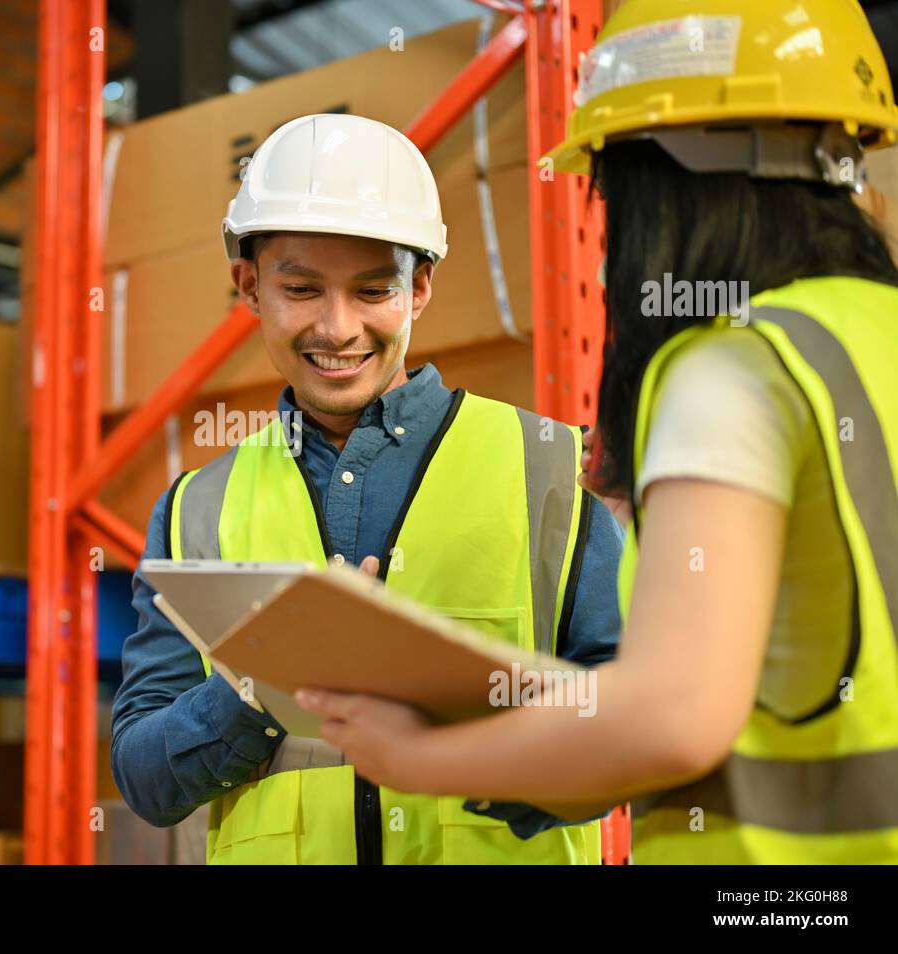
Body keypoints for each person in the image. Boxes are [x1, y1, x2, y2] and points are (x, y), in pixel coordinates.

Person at [296, 0, 898, 863]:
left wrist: (418, 757)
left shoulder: (733, 367)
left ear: (659, 184)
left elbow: (672, 718)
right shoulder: (869, 334)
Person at [111, 112, 625, 864]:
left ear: (419, 289)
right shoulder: (197, 508)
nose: (338, 327)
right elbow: (146, 779)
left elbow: (631, 727)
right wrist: (266, 680)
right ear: (249, 286)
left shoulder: (544, 466)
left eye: (373, 289)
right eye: (301, 289)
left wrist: (463, 735)